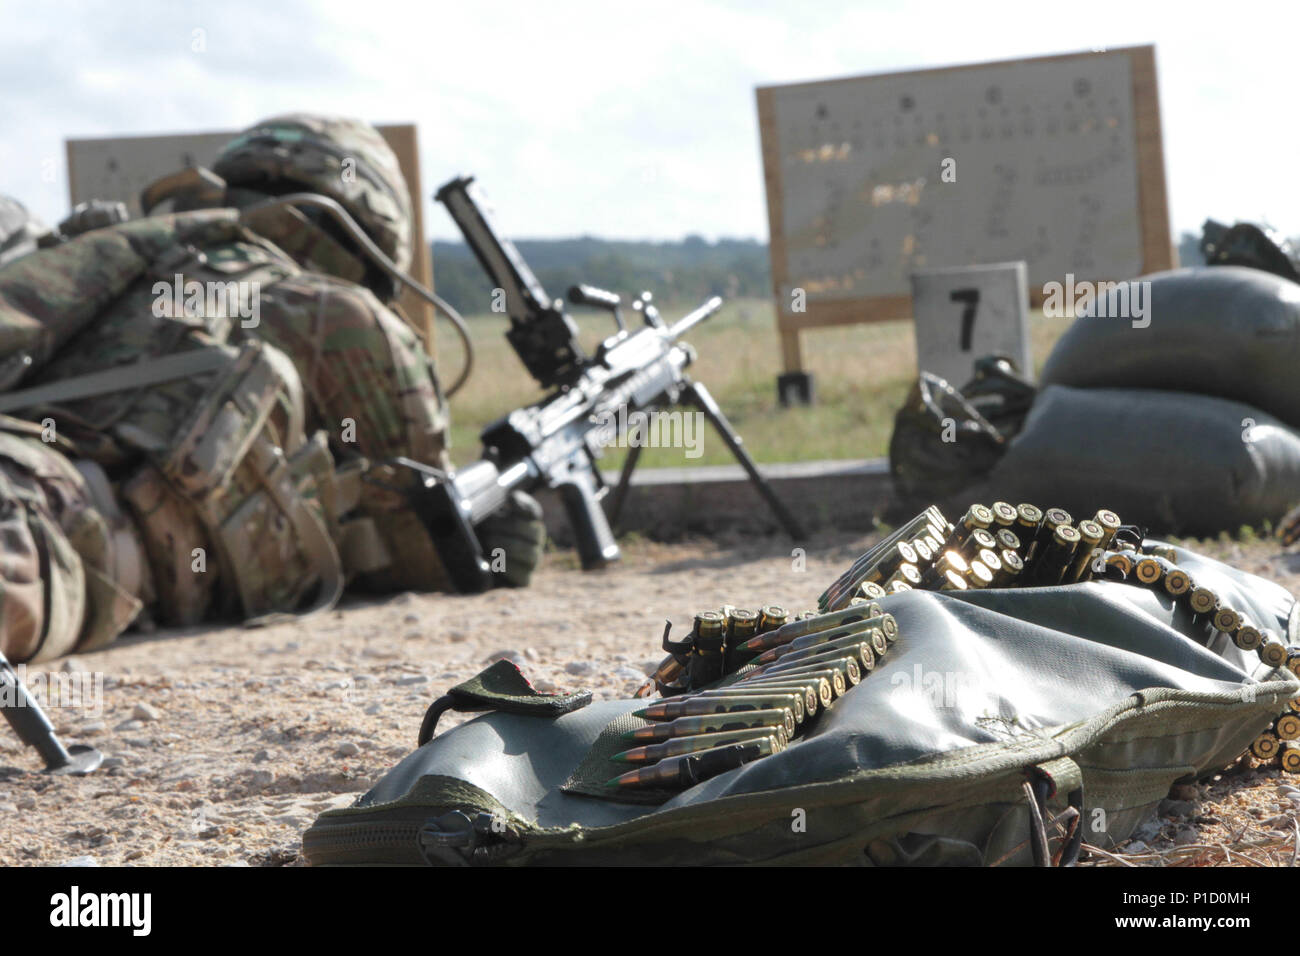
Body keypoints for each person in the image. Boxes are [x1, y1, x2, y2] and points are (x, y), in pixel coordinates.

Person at [0, 114, 544, 664]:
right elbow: (422, 544)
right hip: (61, 537)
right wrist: (498, 539)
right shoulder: (340, 313)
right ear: (367, 237)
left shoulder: (120, 261)